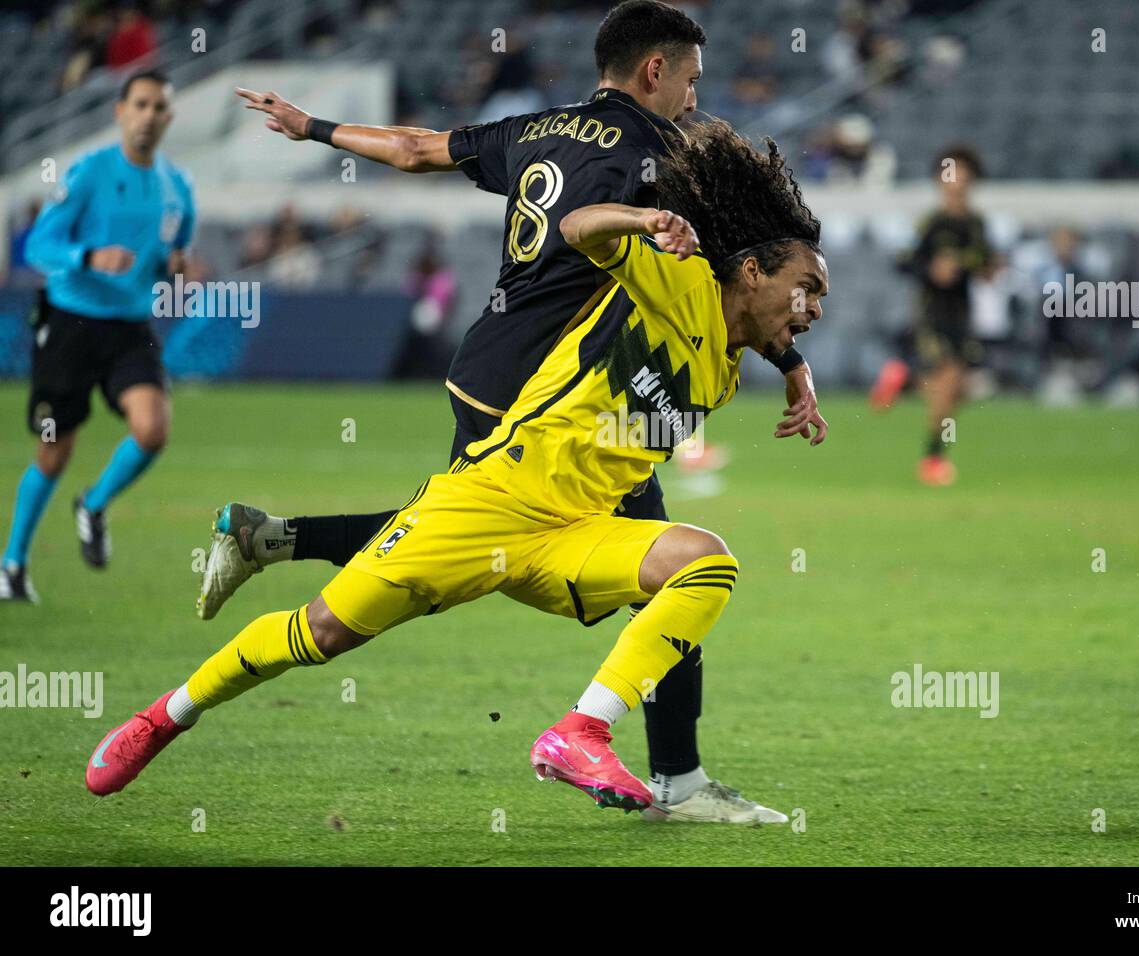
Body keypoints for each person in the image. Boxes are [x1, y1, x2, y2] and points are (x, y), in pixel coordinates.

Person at [85, 120, 829, 819]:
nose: (815, 308)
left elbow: (749, 329)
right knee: (324, 632)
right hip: (487, 504)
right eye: (808, 288)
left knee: (704, 562)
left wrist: (795, 368)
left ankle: (581, 732)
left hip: (575, 535)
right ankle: (164, 716)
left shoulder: (726, 370)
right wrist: (640, 220)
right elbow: (575, 228)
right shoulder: (680, 282)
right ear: (754, 270)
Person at [0, 69, 194, 603]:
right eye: (141, 104)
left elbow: (171, 261)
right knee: (53, 452)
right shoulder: (88, 174)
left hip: (129, 328)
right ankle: (12, 564)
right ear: (120, 111)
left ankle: (93, 504)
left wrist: (178, 269)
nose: (149, 115)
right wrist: (88, 257)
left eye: (159, 107)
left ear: (169, 118)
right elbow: (38, 245)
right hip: (69, 326)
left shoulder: (179, 189)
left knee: (153, 428)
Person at [901, 145, 987, 485]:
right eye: (951, 172)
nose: (957, 179)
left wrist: (971, 267)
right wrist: (932, 269)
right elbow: (905, 261)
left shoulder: (976, 223)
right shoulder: (932, 223)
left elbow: (984, 259)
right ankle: (933, 459)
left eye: (964, 173)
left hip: (963, 313)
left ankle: (903, 380)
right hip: (932, 313)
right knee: (948, 380)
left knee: (960, 388)